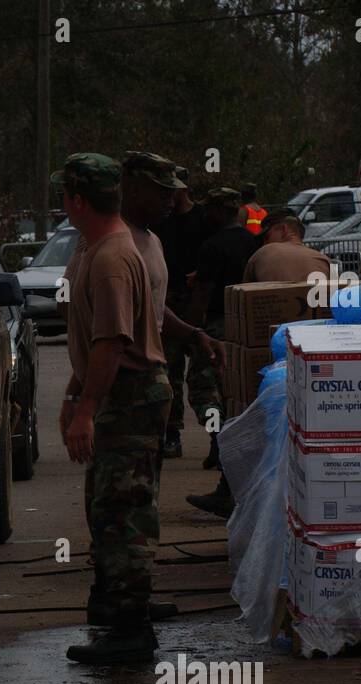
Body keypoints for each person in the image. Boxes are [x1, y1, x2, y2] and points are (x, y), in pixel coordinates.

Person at [53, 153, 170, 664]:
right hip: (113, 393)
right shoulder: (90, 247)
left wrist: (87, 406)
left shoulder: (111, 258)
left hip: (132, 395)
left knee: (124, 511)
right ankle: (111, 606)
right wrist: (74, 393)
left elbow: (113, 343)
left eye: (65, 194)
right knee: (105, 506)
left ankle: (131, 628)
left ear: (77, 200)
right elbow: (92, 337)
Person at [121, 152, 227, 463]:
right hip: (160, 314)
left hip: (191, 310)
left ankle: (211, 439)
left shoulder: (182, 227)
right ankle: (171, 435)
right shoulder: (131, 235)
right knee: (169, 378)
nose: (169, 198)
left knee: (202, 384)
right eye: (162, 191)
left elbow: (156, 304)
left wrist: (195, 328)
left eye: (173, 190)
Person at [183, 187, 257, 519]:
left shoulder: (211, 246)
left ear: (217, 212)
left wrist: (192, 331)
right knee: (237, 396)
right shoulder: (252, 242)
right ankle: (233, 469)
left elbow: (203, 292)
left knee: (201, 388)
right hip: (245, 328)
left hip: (214, 327)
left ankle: (218, 439)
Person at [150, 164, 209, 458]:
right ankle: (172, 433)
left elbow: (212, 254)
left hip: (197, 301)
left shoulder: (201, 218)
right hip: (170, 301)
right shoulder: (162, 220)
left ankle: (216, 438)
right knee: (169, 371)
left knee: (203, 375)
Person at [244, 210, 332, 283]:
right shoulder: (324, 260)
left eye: (267, 237)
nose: (264, 243)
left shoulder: (263, 253)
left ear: (284, 229)